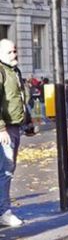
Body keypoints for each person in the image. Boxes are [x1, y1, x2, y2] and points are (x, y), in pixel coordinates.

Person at [0, 39, 33, 228]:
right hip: (6, 128)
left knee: (7, 169)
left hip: (14, 125)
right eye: (10, 52)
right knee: (5, 169)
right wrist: (1, 128)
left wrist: (27, 123)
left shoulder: (15, 71)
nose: (14, 56)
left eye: (15, 51)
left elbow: (20, 98)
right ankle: (4, 212)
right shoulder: (2, 71)